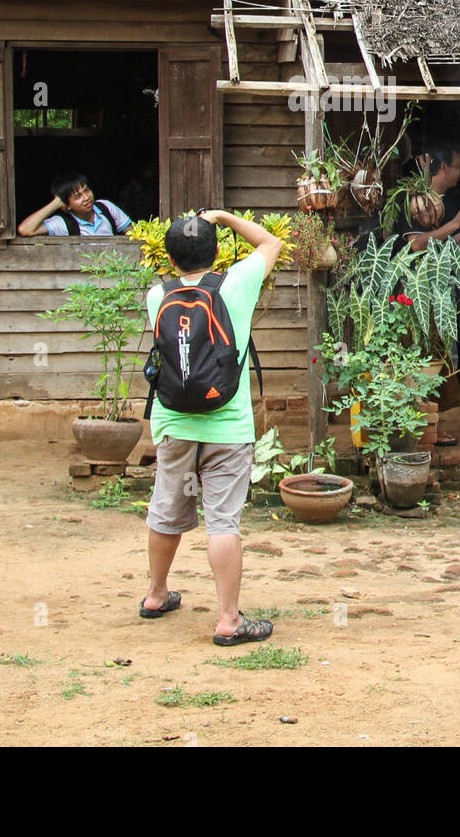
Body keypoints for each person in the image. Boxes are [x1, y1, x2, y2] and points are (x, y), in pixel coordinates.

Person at [139, 209, 282, 646]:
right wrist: (224, 216)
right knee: (223, 521)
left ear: (168, 256)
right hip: (227, 426)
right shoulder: (235, 285)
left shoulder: (156, 295)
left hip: (173, 422)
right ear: (217, 251)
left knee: (166, 509)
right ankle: (227, 620)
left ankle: (156, 595)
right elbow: (270, 244)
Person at [392, 144, 460, 446]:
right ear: (443, 167)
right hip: (414, 291)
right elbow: (416, 245)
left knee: (441, 353)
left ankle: (435, 424)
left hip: (438, 290)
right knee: (420, 354)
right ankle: (423, 427)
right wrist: (455, 224)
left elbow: (439, 245)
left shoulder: (442, 202)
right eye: (458, 166)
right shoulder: (414, 201)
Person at [18, 172, 132, 237]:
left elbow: (134, 234)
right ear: (67, 205)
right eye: (77, 197)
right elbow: (25, 229)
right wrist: (55, 203)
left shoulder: (106, 208)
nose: (86, 198)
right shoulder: (63, 223)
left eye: (87, 190)